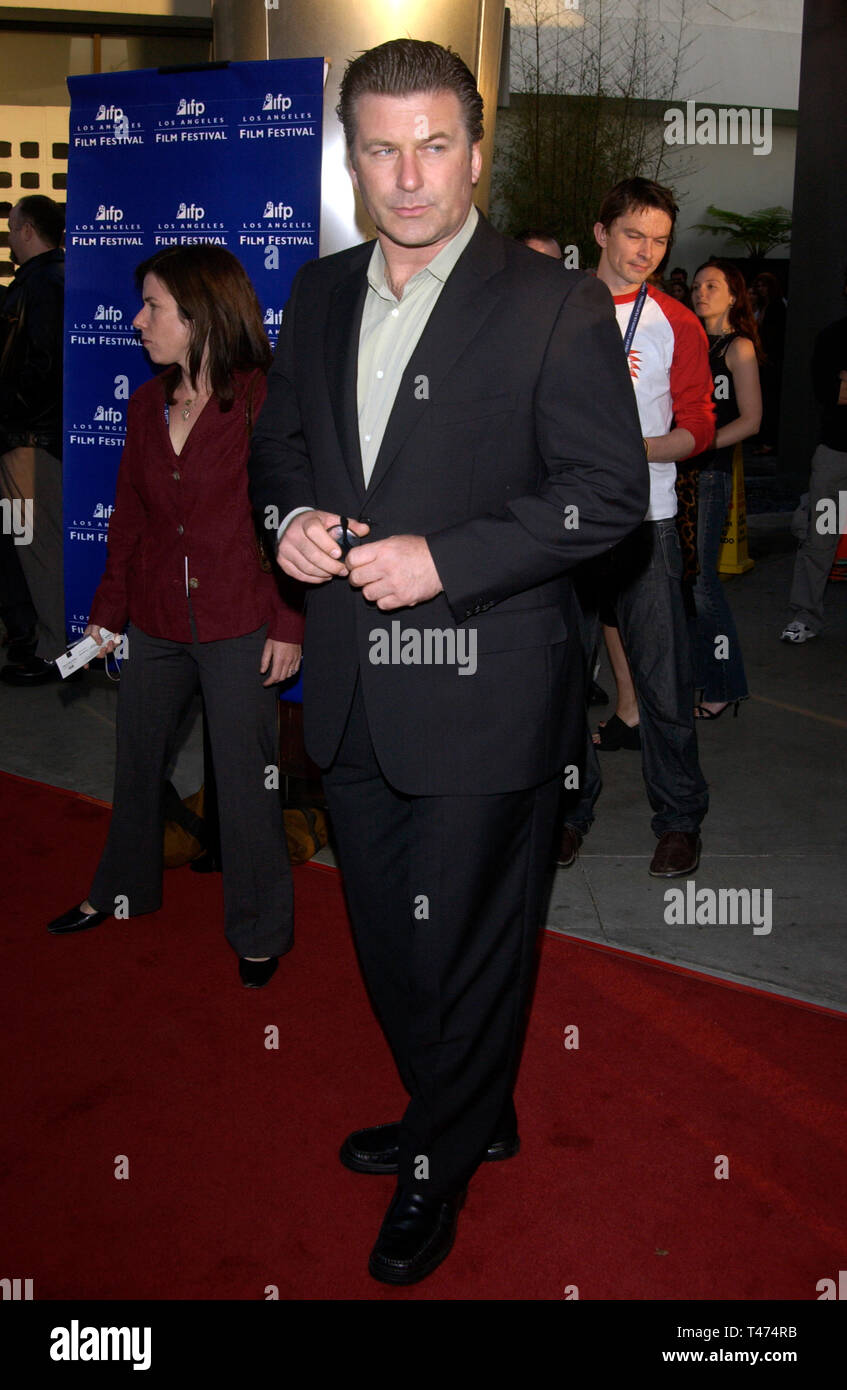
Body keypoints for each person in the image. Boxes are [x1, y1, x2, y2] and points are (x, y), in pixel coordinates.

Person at [249, 38, 648, 1284]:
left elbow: (608, 499)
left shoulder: (551, 299)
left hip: (487, 692)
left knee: (471, 942)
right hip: (354, 689)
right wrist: (291, 523)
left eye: (434, 145)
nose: (409, 175)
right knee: (389, 941)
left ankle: (441, 1160)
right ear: (352, 159)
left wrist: (447, 560)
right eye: (381, 148)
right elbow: (280, 455)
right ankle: (467, 1104)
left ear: (476, 151)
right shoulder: (316, 295)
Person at [47, 244, 303, 989]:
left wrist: (289, 623)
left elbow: (288, 521)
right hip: (156, 617)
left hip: (240, 623)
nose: (138, 321)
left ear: (198, 316)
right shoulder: (143, 402)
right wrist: (106, 617)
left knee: (247, 782)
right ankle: (120, 889)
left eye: (153, 306)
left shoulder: (263, 400)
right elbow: (128, 518)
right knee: (136, 765)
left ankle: (259, 930)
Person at [559, 177, 715, 878]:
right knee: (559, 684)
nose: (645, 252)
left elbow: (697, 427)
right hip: (560, 529)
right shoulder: (551, 309)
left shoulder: (675, 322)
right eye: (632, 235)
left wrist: (634, 448)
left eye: (658, 240)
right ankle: (566, 812)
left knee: (661, 682)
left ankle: (679, 820)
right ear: (599, 232)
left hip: (643, 524)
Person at [687, 258, 762, 715]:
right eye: (696, 286)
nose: (700, 292)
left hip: (710, 473)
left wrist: (698, 444)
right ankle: (701, 675)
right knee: (684, 580)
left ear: (733, 294)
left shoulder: (739, 348)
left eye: (712, 285)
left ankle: (723, 684)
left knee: (702, 582)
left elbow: (752, 421)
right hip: (679, 472)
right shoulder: (692, 341)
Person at [0, 196, 66, 686]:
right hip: (31, 443)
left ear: (25, 229)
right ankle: (35, 641)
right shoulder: (52, 280)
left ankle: (49, 651)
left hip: (26, 448)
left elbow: (37, 369)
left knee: (29, 543)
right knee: (22, 541)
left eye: (10, 226)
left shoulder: (39, 287)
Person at [780, 272, 847, 643]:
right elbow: (828, 392)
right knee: (821, 537)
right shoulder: (833, 337)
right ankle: (805, 616)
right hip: (837, 456)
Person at [750, 269, 786, 456]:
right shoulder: (762, 306)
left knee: (769, 402)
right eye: (759, 286)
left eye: (765, 286)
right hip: (760, 361)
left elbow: (774, 337)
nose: (762, 289)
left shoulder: (777, 307)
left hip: (771, 362)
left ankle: (769, 441)